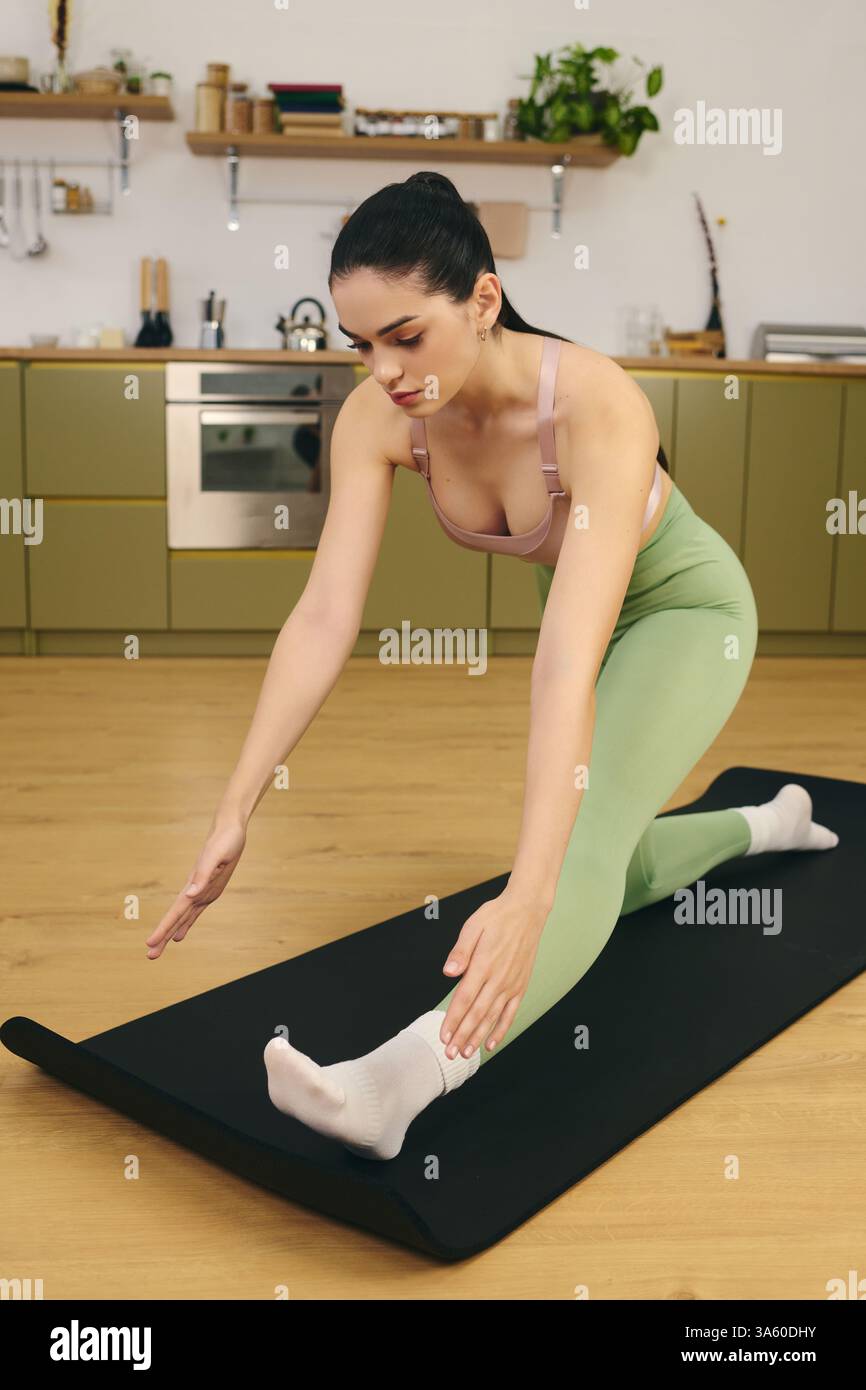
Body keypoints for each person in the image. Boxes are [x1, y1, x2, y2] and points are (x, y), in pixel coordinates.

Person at [145, 171, 839, 1161]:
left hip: (685, 614)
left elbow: (563, 662)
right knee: (612, 859)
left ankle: (399, 1079)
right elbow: (323, 615)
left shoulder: (593, 404)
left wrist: (528, 889)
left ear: (480, 299)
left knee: (572, 855)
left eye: (405, 335)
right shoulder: (382, 416)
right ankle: (768, 820)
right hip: (583, 615)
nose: (383, 369)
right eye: (361, 344)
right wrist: (234, 804)